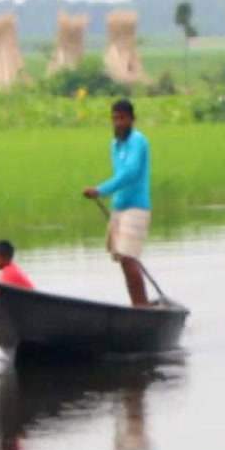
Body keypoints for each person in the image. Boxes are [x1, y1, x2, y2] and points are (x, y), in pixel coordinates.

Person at [83, 99, 152, 307]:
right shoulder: (115, 144)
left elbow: (130, 174)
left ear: (132, 119)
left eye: (122, 118)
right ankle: (137, 306)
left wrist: (100, 190)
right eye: (114, 119)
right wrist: (107, 195)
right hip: (119, 207)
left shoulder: (139, 142)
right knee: (122, 259)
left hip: (137, 207)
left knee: (129, 257)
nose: (118, 123)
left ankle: (141, 309)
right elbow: (120, 174)